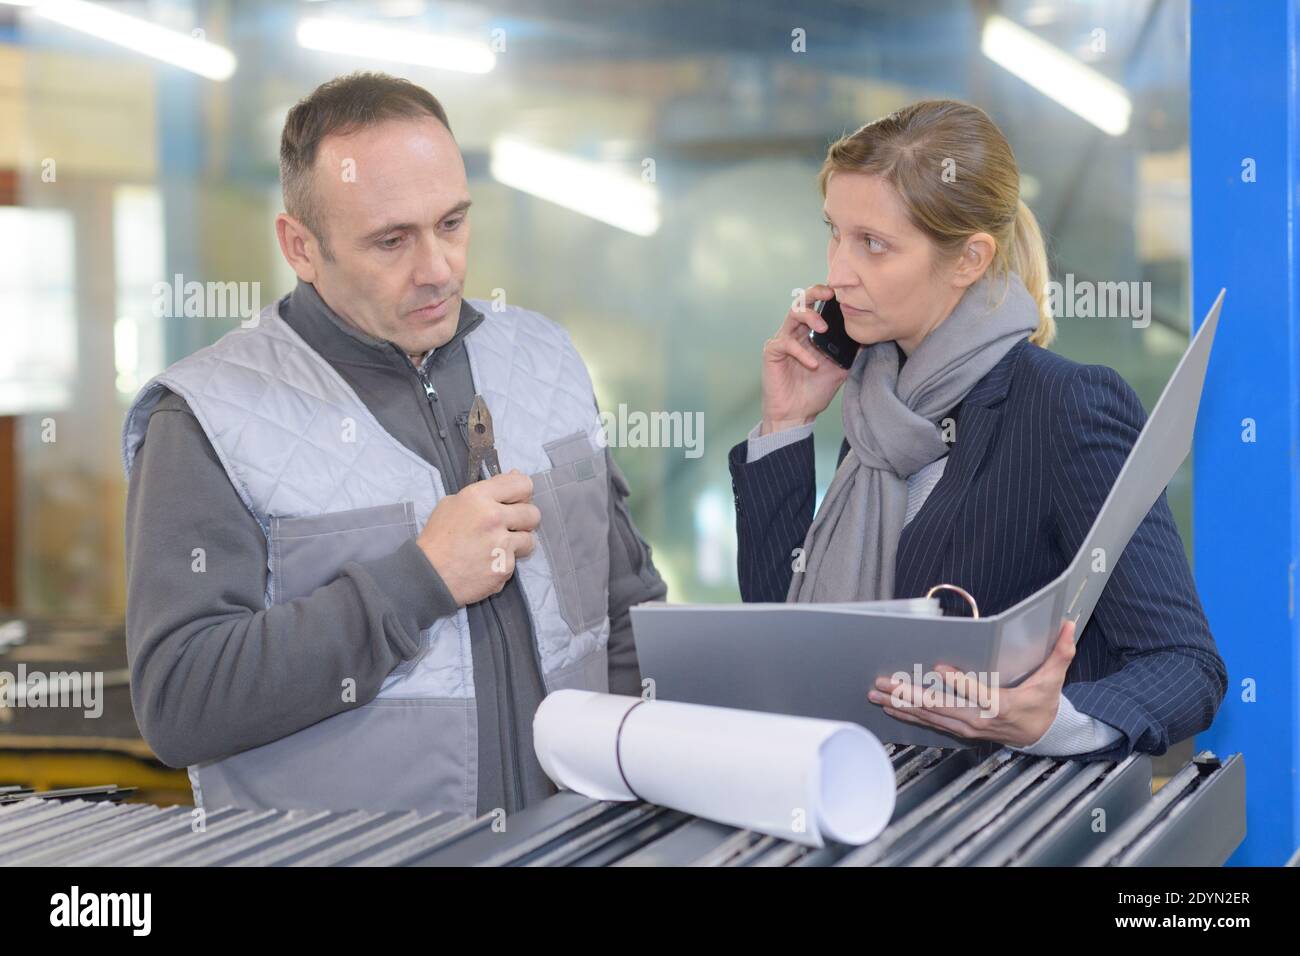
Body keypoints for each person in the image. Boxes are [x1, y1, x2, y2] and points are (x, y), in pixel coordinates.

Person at [123, 72, 666, 817]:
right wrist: (418, 581)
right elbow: (181, 701)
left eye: (451, 224)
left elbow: (626, 616)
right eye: (391, 241)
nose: (437, 270)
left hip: (572, 842)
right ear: (301, 247)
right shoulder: (206, 418)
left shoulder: (546, 362)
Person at [728, 99, 1226, 760]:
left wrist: (1051, 722)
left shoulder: (1065, 406)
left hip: (1004, 827)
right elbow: (787, 643)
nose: (838, 271)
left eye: (872, 243)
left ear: (968, 260)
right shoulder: (878, 407)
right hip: (864, 802)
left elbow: (1186, 665)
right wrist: (785, 425)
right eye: (835, 233)